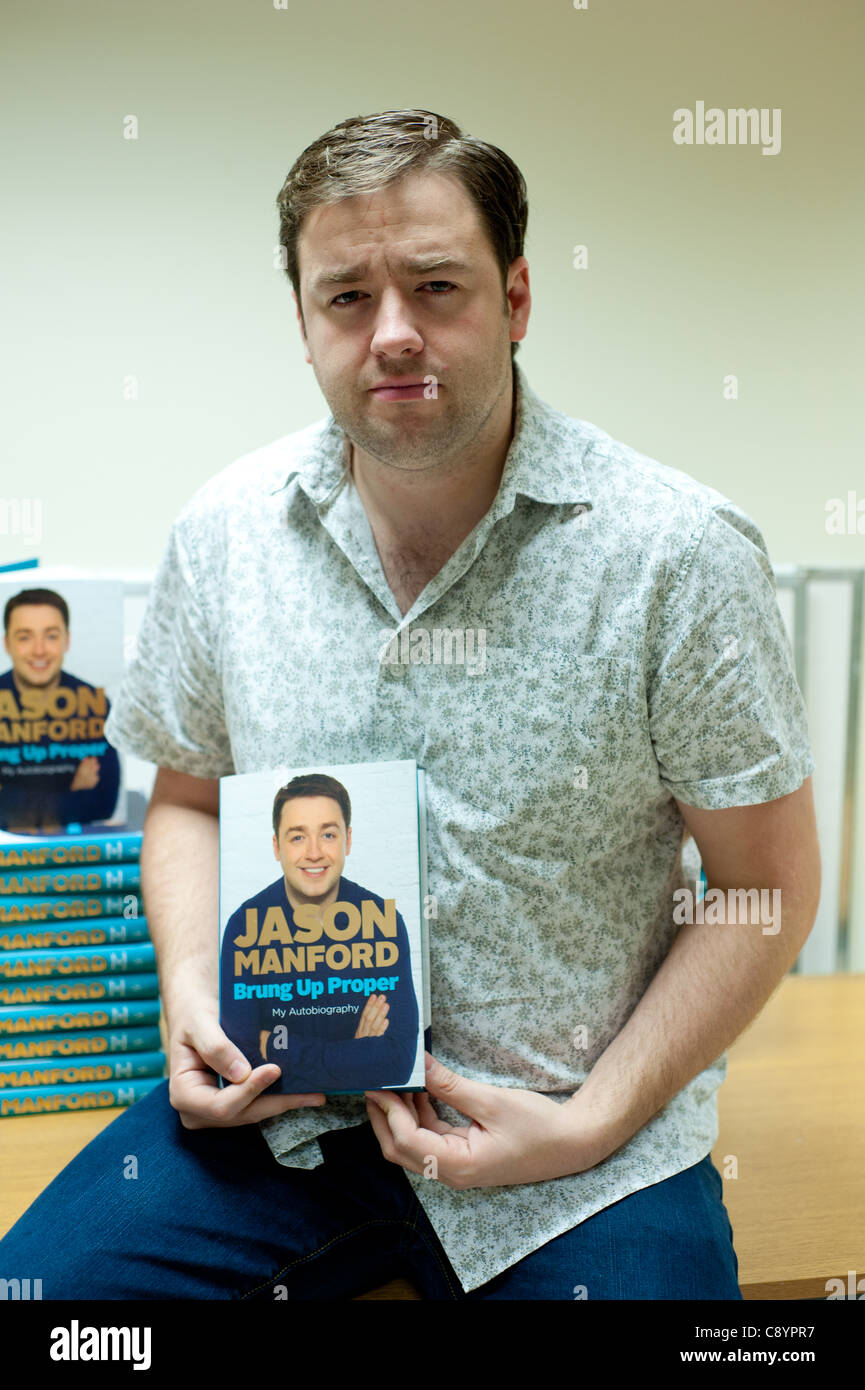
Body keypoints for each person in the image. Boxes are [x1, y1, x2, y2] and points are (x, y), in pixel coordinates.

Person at [0, 109, 820, 1301]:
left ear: (517, 298)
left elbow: (766, 887)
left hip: (573, 1150)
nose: (393, 334)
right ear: (303, 320)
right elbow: (184, 796)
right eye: (346, 298)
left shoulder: (676, 557)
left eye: (436, 285)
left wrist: (593, 1120)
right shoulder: (225, 536)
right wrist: (187, 992)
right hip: (282, 1121)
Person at [220, 772, 420, 1092]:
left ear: (348, 840)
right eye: (297, 837)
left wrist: (274, 1046)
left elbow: (398, 1062)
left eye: (328, 835)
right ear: (276, 847)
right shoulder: (245, 926)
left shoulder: (383, 921)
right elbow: (243, 1067)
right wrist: (356, 1056)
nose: (314, 852)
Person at [0, 588, 120, 831]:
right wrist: (70, 792)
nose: (39, 650)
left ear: (67, 640)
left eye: (51, 636)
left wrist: (12, 798)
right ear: (7, 644)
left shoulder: (94, 703)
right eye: (25, 637)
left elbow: (104, 805)